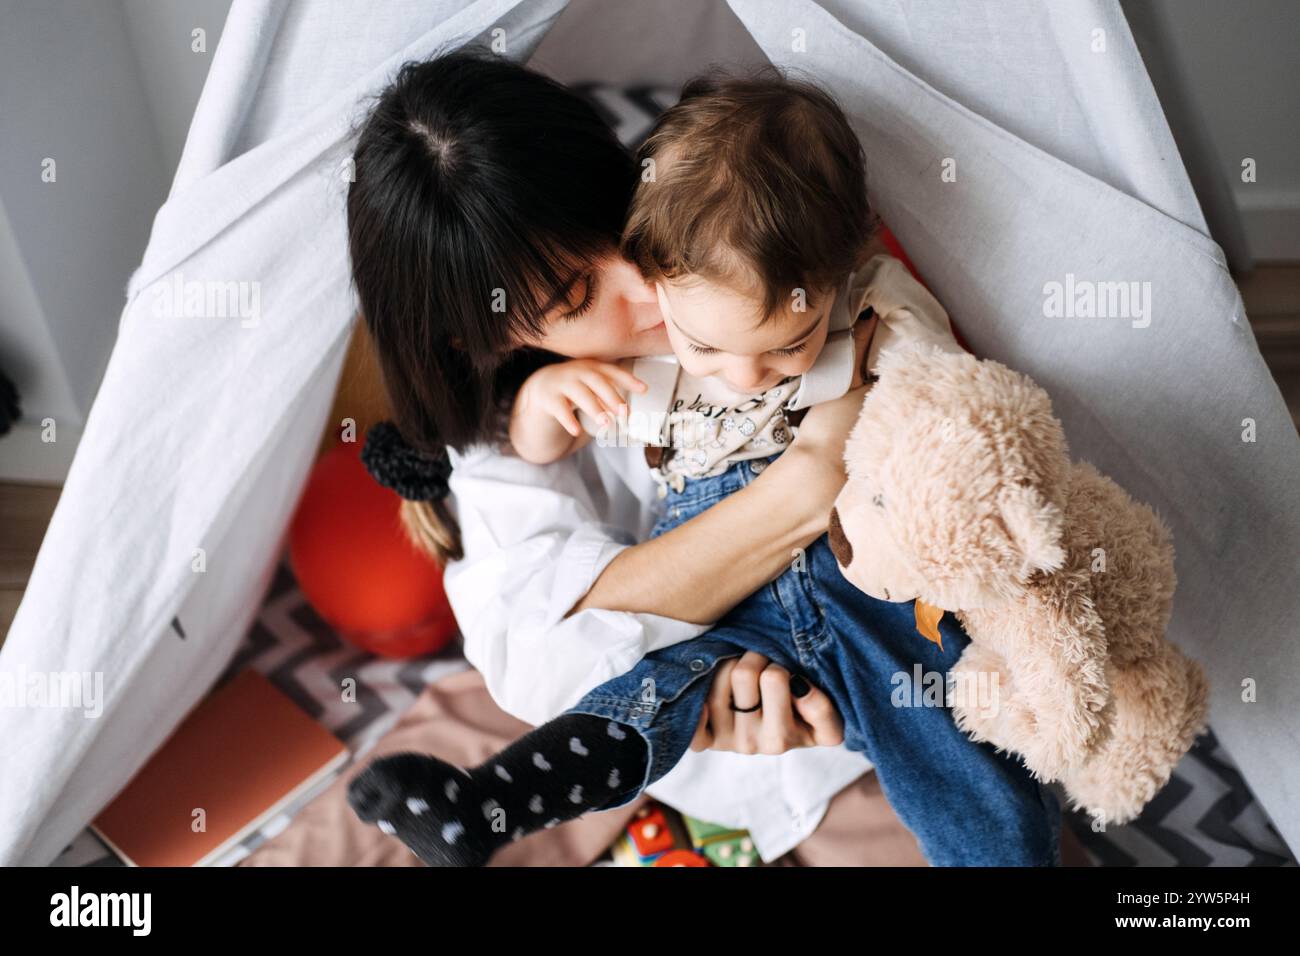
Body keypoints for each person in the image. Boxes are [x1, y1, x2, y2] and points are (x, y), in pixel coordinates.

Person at [345, 66, 1060, 866]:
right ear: (492, 339)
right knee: (622, 710)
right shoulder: (524, 431)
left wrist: (664, 591)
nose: (650, 293)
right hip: (717, 752)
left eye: (622, 223)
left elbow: (951, 417)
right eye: (576, 298)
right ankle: (488, 805)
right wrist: (807, 480)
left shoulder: (743, 249)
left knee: (990, 808)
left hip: (872, 708)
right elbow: (544, 662)